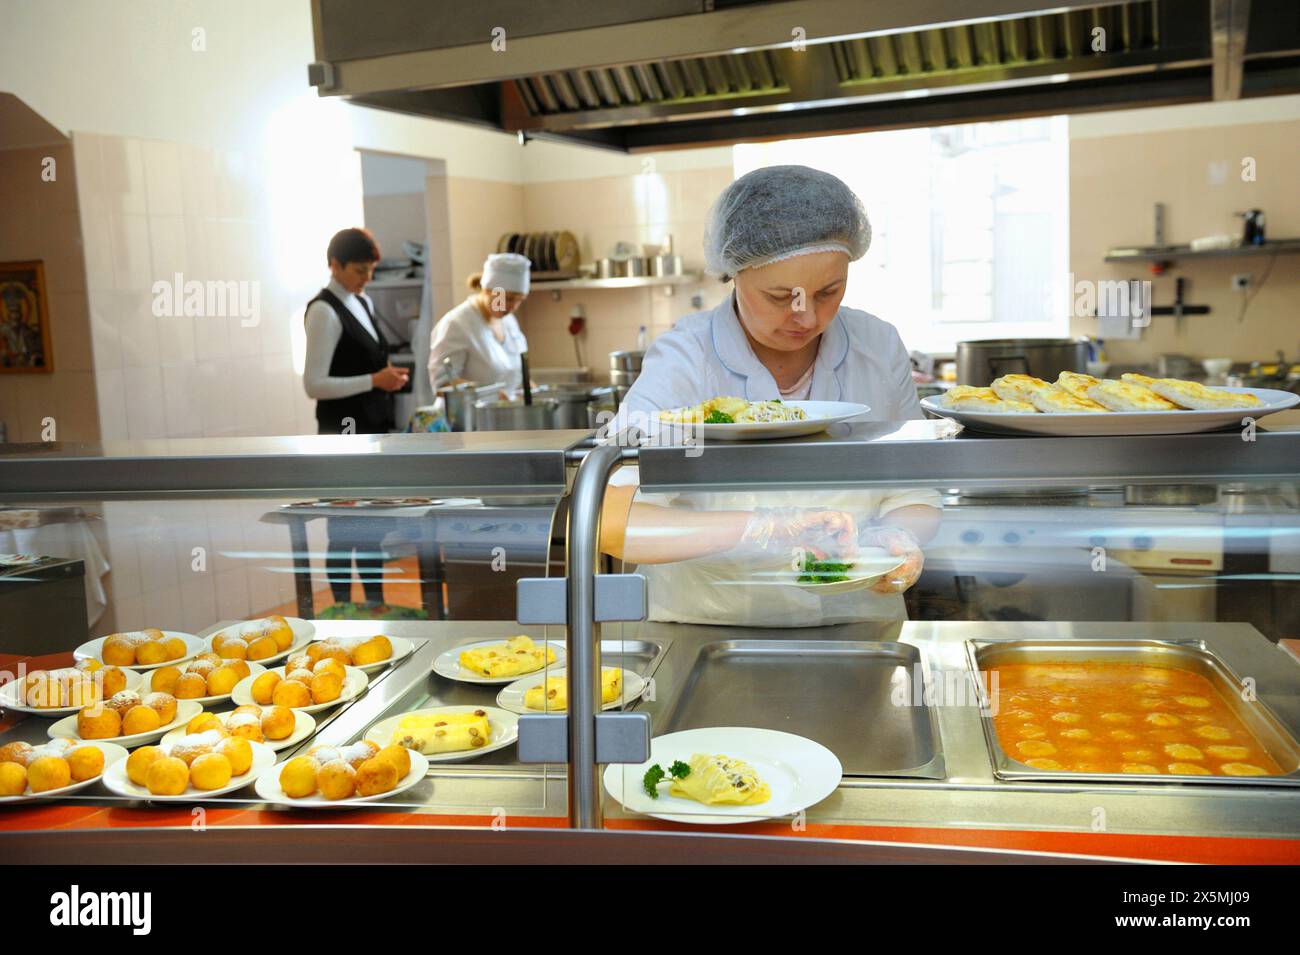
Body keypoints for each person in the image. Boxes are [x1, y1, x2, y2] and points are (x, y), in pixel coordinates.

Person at [600, 165, 940, 628]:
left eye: (829, 291)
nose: (806, 316)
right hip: (706, 630)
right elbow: (610, 518)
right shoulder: (686, 360)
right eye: (781, 296)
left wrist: (896, 537)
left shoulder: (877, 347)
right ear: (734, 272)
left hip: (857, 625)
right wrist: (763, 529)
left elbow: (914, 488)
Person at [302, 227, 408, 607]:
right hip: (341, 435)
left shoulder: (362, 303)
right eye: (359, 271)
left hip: (372, 433)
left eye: (371, 271)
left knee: (371, 530)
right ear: (335, 265)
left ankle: (375, 603)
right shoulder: (323, 311)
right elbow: (314, 384)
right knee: (343, 531)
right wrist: (372, 380)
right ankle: (344, 608)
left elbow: (367, 362)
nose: (367, 279)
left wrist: (387, 377)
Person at [428, 253, 530, 393]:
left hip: (503, 413)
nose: (513, 306)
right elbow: (443, 384)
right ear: (487, 290)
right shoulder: (457, 324)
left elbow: (514, 378)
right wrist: (490, 395)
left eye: (520, 300)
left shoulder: (508, 322)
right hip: (465, 414)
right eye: (508, 298)